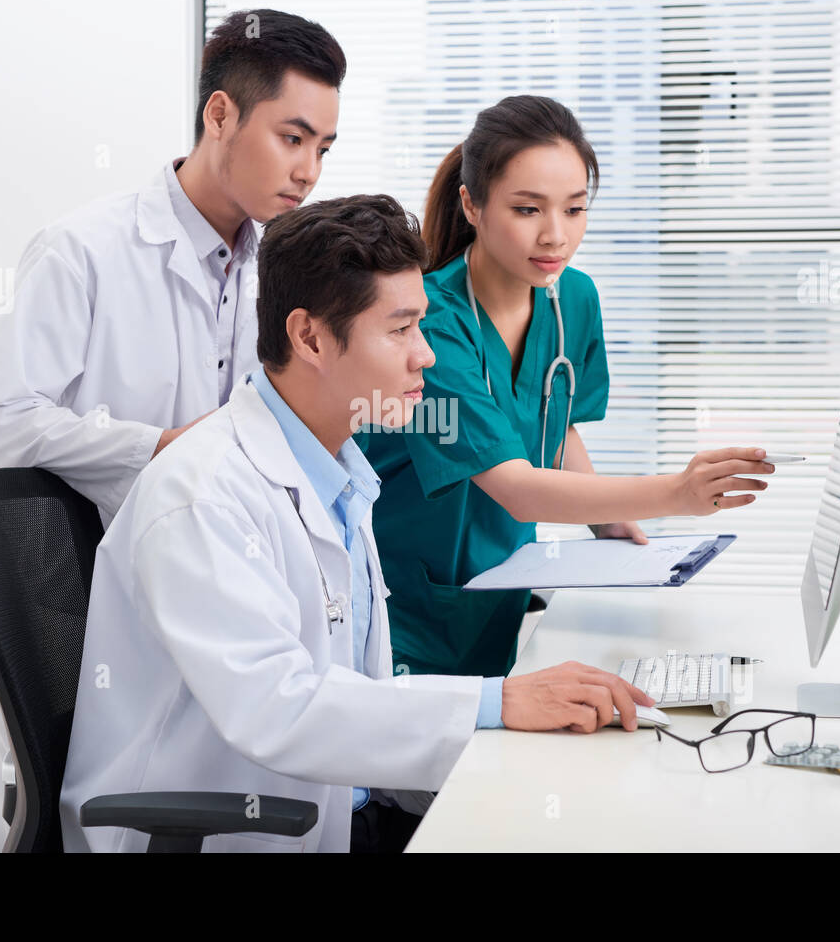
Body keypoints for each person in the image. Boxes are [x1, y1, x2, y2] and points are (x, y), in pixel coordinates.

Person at [59, 194, 656, 853]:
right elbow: (280, 708)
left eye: (422, 326)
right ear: (310, 337)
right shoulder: (202, 497)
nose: (425, 356)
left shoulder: (338, 473)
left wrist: (503, 711)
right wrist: (498, 702)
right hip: (214, 835)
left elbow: (354, 693)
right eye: (400, 330)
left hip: (337, 810)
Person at [0, 8, 346, 852]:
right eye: (293, 137)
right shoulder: (85, 251)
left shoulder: (279, 267)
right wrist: (155, 447)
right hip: (85, 614)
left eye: (324, 148)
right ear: (221, 115)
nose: (309, 170)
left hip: (216, 598)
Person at [358, 96, 774, 679]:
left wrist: (602, 517)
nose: (556, 235)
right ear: (472, 205)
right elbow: (518, 488)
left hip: (497, 598)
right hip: (412, 613)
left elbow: (555, 423)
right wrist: (676, 494)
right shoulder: (430, 322)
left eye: (575, 209)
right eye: (528, 209)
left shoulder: (572, 298)